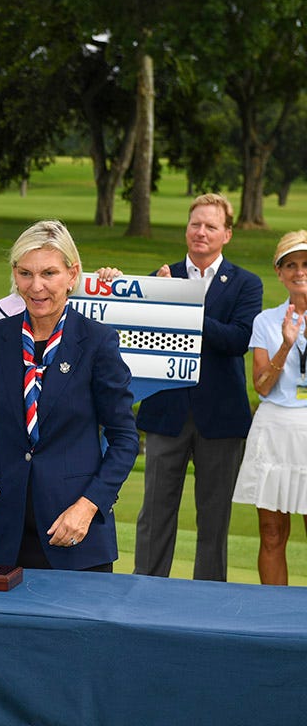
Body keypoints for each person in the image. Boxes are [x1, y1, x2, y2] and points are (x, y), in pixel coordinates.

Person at [102, 193, 262, 581]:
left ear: (227, 234)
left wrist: (179, 302)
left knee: (213, 519)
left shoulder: (245, 283)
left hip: (221, 418)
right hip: (165, 412)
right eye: (195, 224)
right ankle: (145, 591)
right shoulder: (162, 276)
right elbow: (127, 328)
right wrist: (114, 284)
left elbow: (237, 340)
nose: (201, 232)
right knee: (155, 514)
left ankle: (207, 600)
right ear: (186, 229)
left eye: (211, 226)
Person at [0, 220, 139, 571]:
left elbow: (124, 438)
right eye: (26, 274)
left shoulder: (97, 341)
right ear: (15, 274)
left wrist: (89, 506)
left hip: (75, 533)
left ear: (72, 275)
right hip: (5, 534)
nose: (36, 286)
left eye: (49, 273)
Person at [231, 231, 307, 585]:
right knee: (272, 531)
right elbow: (261, 385)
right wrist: (286, 346)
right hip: (274, 427)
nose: (299, 271)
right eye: (290, 265)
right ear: (279, 273)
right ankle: (275, 618)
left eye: (306, 264)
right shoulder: (266, 321)